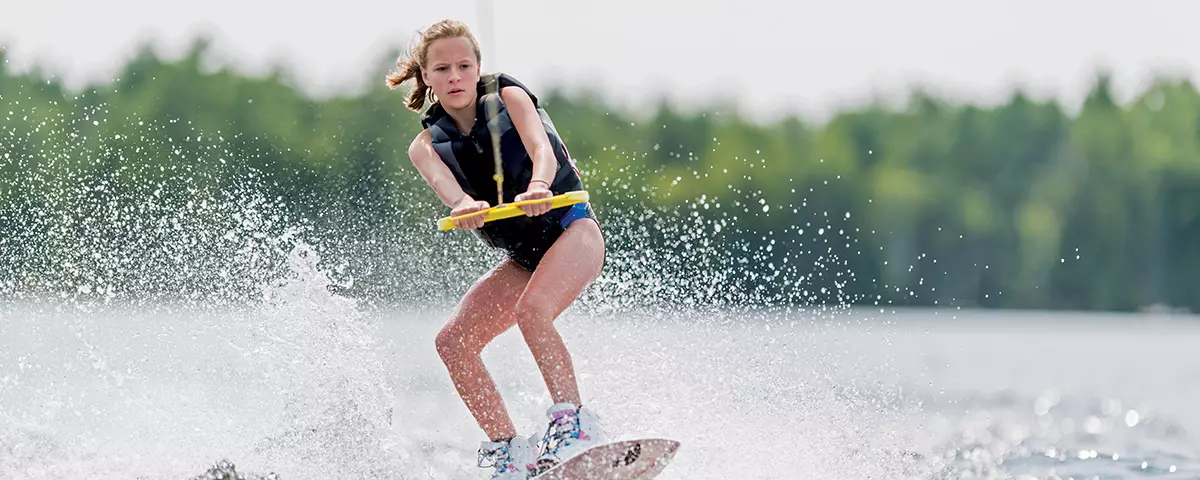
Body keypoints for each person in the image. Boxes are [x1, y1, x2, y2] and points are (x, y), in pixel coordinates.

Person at [386, 19, 609, 479]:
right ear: (426, 77)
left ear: (478, 68)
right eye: (442, 68)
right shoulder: (426, 145)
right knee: (453, 343)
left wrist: (540, 185)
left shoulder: (509, 97)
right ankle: (510, 451)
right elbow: (448, 188)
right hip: (525, 259)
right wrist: (465, 205)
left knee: (533, 311)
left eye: (464, 65)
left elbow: (541, 150)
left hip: (572, 230)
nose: (454, 77)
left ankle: (576, 426)